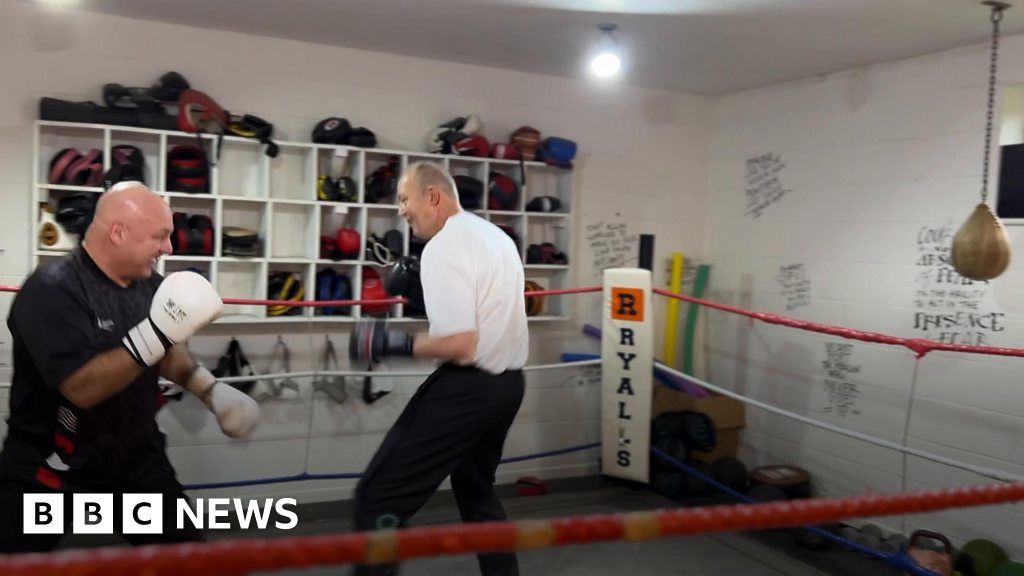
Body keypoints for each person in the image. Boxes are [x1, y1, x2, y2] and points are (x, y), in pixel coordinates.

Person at [0, 182, 260, 552]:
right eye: (160, 236)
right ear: (119, 233)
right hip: (51, 466)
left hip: (135, 459)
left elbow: (166, 351)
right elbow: (81, 388)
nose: (168, 248)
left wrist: (209, 389)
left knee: (189, 562)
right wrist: (157, 332)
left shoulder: (149, 284)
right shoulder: (52, 289)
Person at [349, 162, 529, 576]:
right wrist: (420, 294)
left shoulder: (444, 246)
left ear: (433, 196)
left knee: (379, 497)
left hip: (467, 389)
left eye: (404, 200)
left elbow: (461, 344)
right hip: (508, 387)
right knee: (476, 489)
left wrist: (389, 342)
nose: (401, 210)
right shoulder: (495, 237)